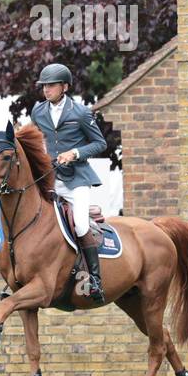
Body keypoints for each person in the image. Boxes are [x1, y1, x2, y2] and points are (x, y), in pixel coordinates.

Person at [30, 63, 109, 304]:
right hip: (51, 180)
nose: (46, 90)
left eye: (51, 85)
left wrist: (75, 153)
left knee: (82, 226)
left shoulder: (81, 113)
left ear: (64, 87)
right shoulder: (38, 112)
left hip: (77, 180)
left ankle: (94, 280)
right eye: (44, 86)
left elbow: (100, 144)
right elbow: (36, 141)